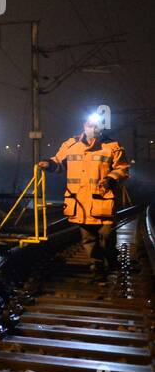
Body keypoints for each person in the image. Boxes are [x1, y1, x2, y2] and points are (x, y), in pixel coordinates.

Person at [38, 114, 130, 279]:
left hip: (102, 202)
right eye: (90, 125)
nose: (93, 129)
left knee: (106, 236)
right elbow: (58, 163)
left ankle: (110, 260)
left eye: (96, 126)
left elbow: (122, 168)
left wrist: (111, 179)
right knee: (88, 238)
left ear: (102, 128)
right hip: (80, 203)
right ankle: (97, 267)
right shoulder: (71, 144)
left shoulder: (112, 146)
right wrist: (49, 164)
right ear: (84, 125)